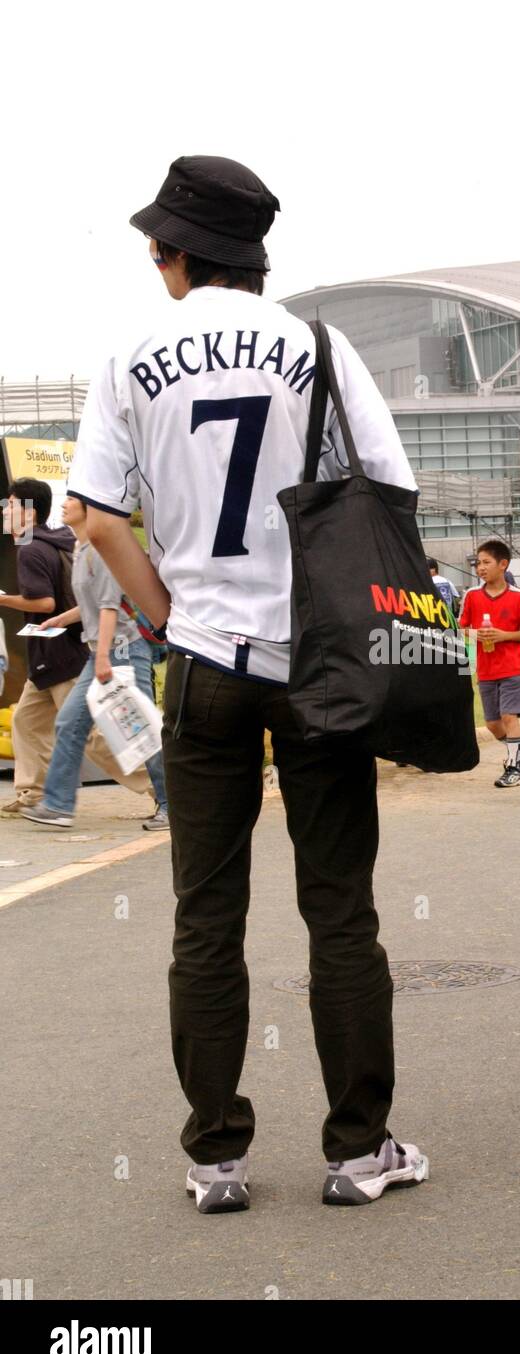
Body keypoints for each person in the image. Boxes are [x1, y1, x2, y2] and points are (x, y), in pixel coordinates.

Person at [66, 154, 428, 1213]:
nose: (151, 253)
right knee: (340, 913)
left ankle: (216, 1155)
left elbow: (93, 514)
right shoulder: (319, 345)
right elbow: (389, 490)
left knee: (204, 915)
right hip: (316, 663)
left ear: (184, 252)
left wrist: (167, 611)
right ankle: (359, 1150)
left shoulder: (130, 355)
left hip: (205, 668)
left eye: (160, 240)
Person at [0, 479, 155, 815]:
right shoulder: (66, 542)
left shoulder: (32, 549)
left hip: (70, 656)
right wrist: (61, 620)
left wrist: (5, 600)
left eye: (10, 504)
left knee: (95, 735)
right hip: (57, 653)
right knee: (27, 721)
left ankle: (161, 788)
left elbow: (47, 602)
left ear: (26, 511)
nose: (5, 509)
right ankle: (37, 795)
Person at [459, 539, 520, 787]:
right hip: (486, 669)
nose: (480, 568)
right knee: (493, 724)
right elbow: (463, 628)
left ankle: (515, 768)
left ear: (502, 564)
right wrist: (475, 634)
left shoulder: (519, 597)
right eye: (478, 563)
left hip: (513, 668)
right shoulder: (471, 596)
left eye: (486, 562)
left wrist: (504, 636)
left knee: (509, 717)